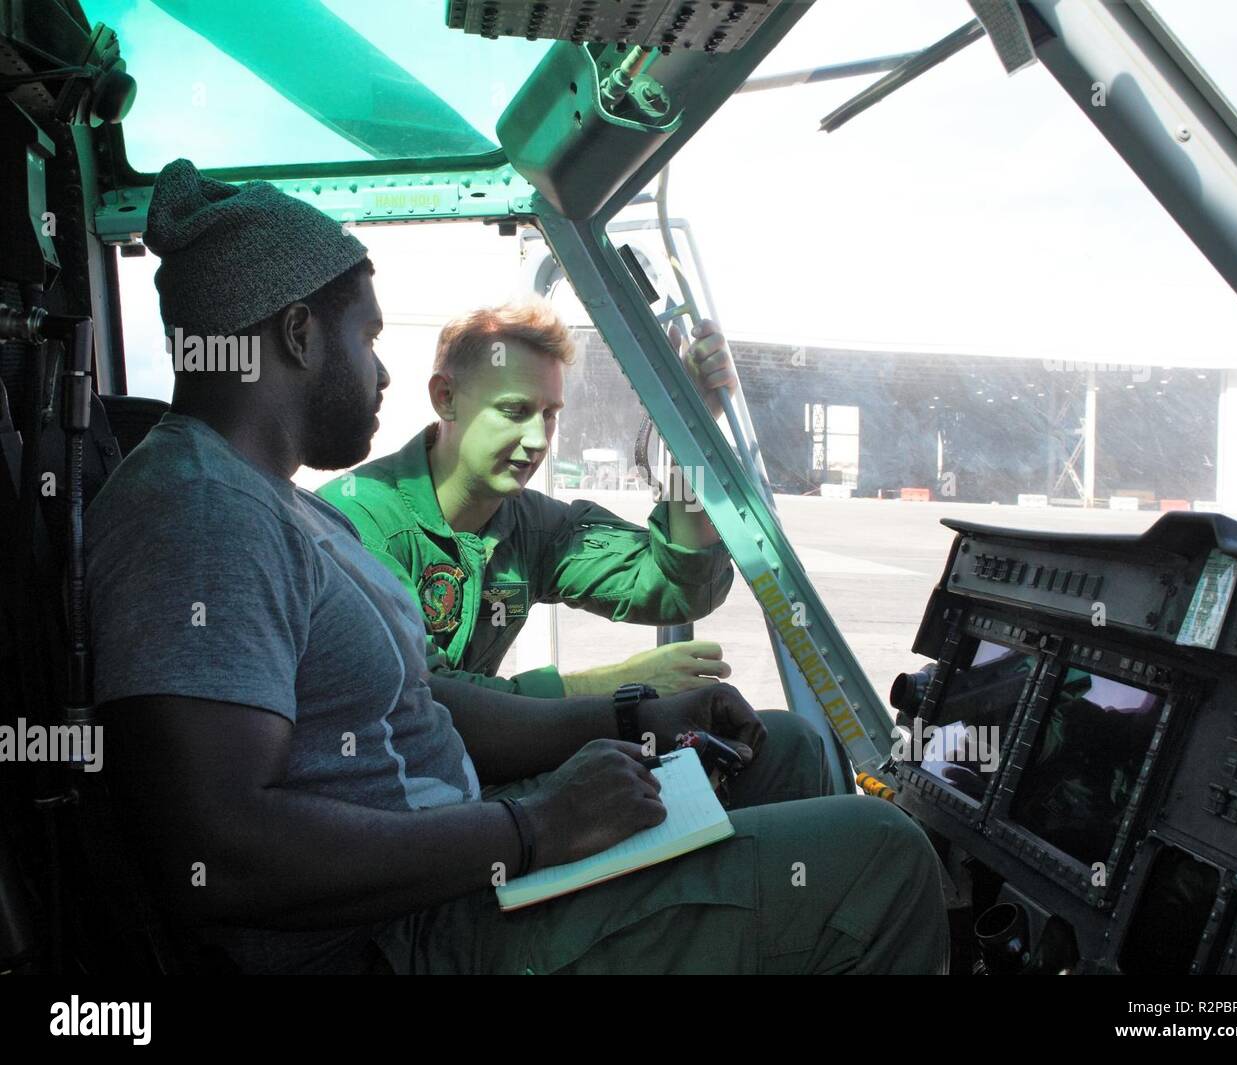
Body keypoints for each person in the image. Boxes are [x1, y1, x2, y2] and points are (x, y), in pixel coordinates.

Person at [86, 159, 949, 975]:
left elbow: (432, 701)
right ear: (301, 335)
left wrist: (636, 714)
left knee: (788, 747)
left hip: (455, 848)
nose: (380, 369)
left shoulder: (281, 506)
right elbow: (219, 848)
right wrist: (534, 828)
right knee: (889, 860)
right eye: (369, 337)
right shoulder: (201, 513)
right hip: (404, 929)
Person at [316, 300, 738, 697]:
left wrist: (691, 434)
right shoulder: (358, 520)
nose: (538, 440)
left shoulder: (533, 526)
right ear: (445, 398)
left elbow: (678, 587)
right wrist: (615, 684)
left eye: (549, 414)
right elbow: (423, 698)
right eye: (514, 411)